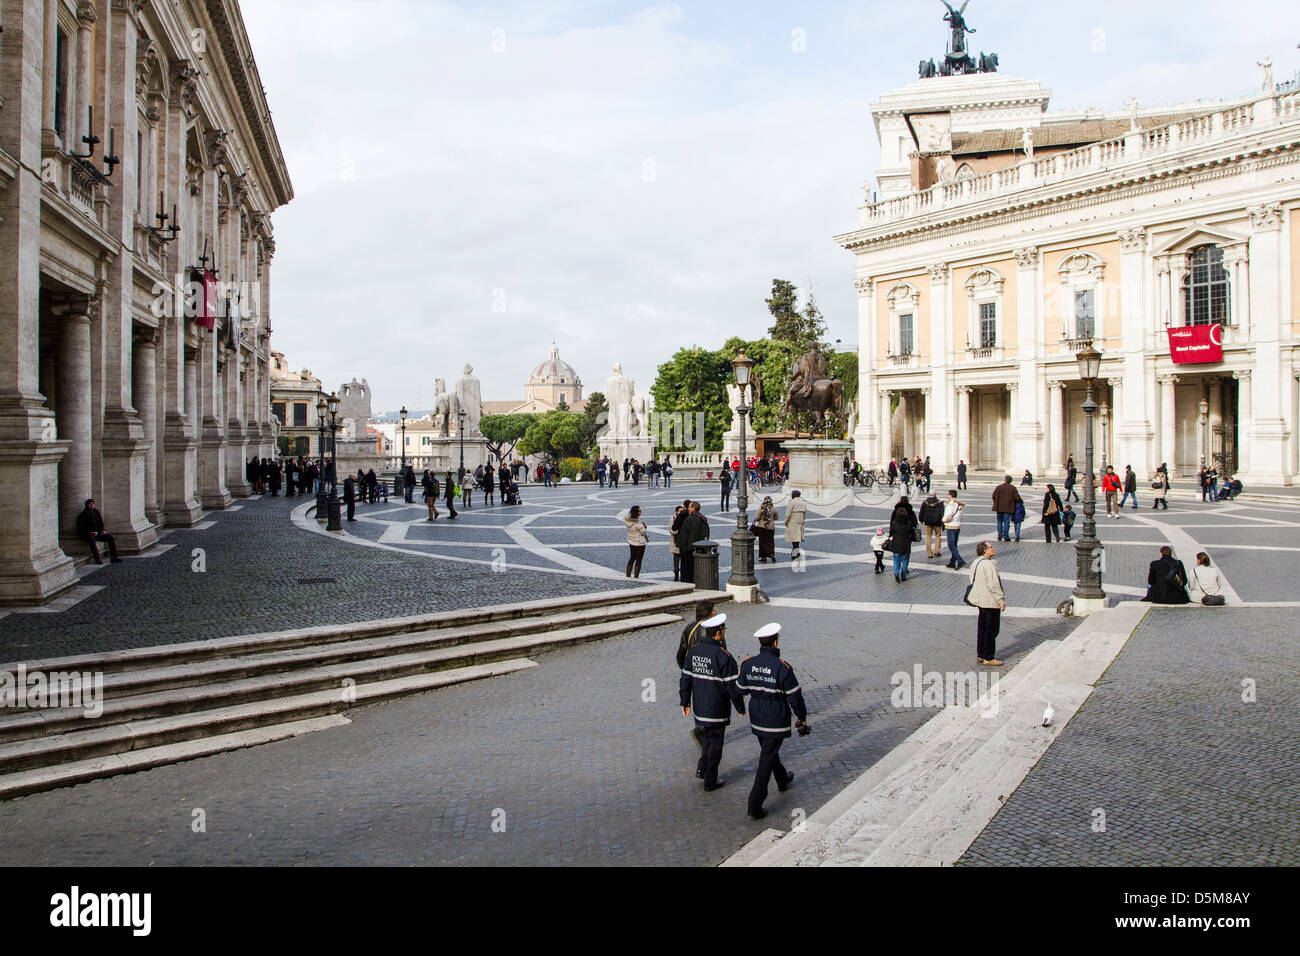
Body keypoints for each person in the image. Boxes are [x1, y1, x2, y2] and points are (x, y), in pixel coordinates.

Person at [738, 622, 809, 820]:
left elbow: (740, 690)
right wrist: (802, 718)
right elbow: (795, 697)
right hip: (775, 719)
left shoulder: (747, 664)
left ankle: (782, 779)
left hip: (757, 718)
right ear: (776, 642)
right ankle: (755, 803)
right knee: (765, 760)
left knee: (769, 751)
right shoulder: (782, 667)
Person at [679, 613, 744, 791]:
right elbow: (732, 686)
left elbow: (685, 679)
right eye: (724, 630)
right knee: (715, 745)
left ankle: (702, 769)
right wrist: (740, 707)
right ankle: (711, 780)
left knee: (706, 740)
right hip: (717, 709)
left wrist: (685, 701)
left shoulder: (693, 652)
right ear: (719, 633)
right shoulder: (724, 657)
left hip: (699, 707)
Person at [968, 541, 1006, 666]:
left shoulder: (976, 562)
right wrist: (1001, 600)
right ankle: (989, 657)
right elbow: (993, 585)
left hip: (981, 600)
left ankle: (981, 654)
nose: (993, 549)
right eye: (991, 547)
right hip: (990, 601)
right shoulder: (988, 565)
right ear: (985, 550)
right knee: (992, 630)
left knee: (982, 628)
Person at [76, 499, 120, 564]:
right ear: (87, 505)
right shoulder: (82, 515)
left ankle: (114, 557)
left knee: (110, 537)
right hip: (87, 534)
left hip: (97, 533)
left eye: (93, 504)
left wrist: (102, 530)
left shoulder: (96, 512)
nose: (91, 505)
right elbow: (81, 527)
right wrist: (89, 532)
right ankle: (97, 559)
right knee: (92, 540)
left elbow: (101, 523)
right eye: (90, 504)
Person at [886, 495, 919, 582]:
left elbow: (891, 530)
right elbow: (914, 525)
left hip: (896, 542)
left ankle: (896, 572)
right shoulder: (909, 522)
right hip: (906, 542)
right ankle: (903, 574)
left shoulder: (894, 523)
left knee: (896, 559)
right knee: (905, 559)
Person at [677, 501, 709, 584]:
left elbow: (686, 534)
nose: (688, 509)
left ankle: (686, 582)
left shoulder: (690, 519)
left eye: (690, 507)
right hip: (698, 547)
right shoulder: (702, 518)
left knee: (687, 568)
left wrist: (683, 546)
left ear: (693, 508)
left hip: (688, 548)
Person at [991, 476, 1022, 541]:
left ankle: (999, 534)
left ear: (1005, 480)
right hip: (1008, 508)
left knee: (999, 521)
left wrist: (996, 502)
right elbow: (1017, 498)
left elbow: (993, 496)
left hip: (999, 508)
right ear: (1010, 481)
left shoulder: (999, 487)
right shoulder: (1012, 488)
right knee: (1006, 522)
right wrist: (1021, 501)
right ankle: (1006, 536)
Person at [942, 490, 966, 569]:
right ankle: (952, 562)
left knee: (950, 544)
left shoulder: (950, 505)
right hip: (957, 525)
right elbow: (961, 516)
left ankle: (960, 560)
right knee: (954, 544)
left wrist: (943, 520)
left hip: (950, 526)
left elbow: (948, 516)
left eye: (948, 494)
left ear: (950, 495)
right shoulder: (959, 504)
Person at [919, 491, 945, 559]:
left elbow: (922, 511)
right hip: (937, 522)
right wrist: (943, 522)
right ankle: (937, 551)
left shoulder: (925, 502)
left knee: (928, 537)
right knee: (938, 536)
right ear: (935, 494)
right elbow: (942, 513)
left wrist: (921, 519)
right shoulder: (940, 503)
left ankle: (929, 553)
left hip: (928, 521)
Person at [624, 505, 647, 578]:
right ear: (637, 513)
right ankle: (636, 576)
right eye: (640, 511)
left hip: (631, 541)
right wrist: (644, 526)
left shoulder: (628, 521)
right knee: (639, 559)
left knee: (632, 557)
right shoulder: (638, 524)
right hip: (639, 543)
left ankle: (628, 575)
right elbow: (643, 532)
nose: (641, 512)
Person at [784, 489, 806, 560]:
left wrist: (786, 521)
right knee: (798, 538)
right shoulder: (803, 502)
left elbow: (788, 513)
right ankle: (797, 552)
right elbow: (804, 514)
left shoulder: (792, 502)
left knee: (794, 539)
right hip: (800, 522)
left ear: (794, 495)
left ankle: (795, 553)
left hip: (793, 522)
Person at [754, 497, 777, 563]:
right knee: (771, 542)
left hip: (762, 527)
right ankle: (772, 554)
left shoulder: (761, 508)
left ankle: (763, 557)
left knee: (762, 542)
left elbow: (756, 518)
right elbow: (777, 517)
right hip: (771, 528)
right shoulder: (774, 509)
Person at [668, 505, 684, 581]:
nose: (681, 512)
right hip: (675, 542)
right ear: (676, 512)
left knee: (683, 560)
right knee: (676, 559)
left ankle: (683, 574)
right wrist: (680, 531)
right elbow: (671, 530)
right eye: (680, 511)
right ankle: (676, 575)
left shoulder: (684, 518)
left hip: (683, 543)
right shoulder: (673, 519)